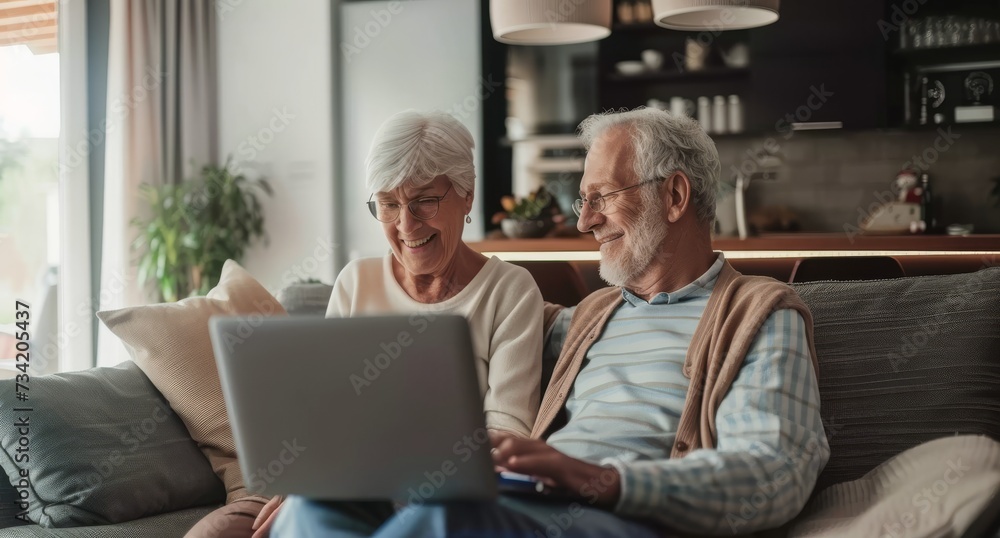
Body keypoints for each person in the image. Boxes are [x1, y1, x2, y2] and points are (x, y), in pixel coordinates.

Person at [268, 107, 830, 537]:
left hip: (621, 517)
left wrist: (599, 479)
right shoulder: (586, 318)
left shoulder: (757, 313)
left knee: (444, 517)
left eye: (601, 197)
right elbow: (466, 332)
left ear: (675, 195)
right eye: (583, 200)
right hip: (524, 501)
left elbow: (773, 474)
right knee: (313, 508)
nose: (585, 222)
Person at [246, 110, 544, 537]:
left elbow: (509, 434)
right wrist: (305, 479)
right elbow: (327, 417)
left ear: (467, 194)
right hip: (356, 489)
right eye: (388, 204)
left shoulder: (509, 290)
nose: (406, 225)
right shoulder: (356, 282)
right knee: (301, 512)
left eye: (424, 201)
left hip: (448, 500)